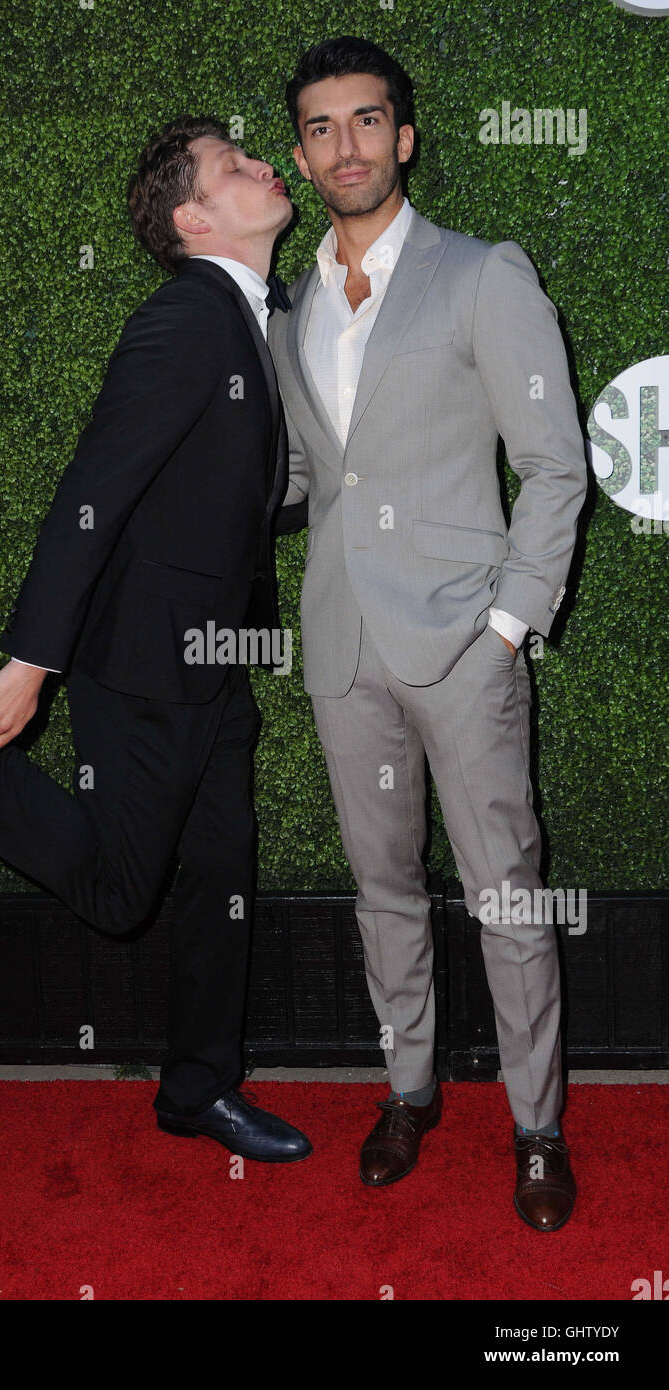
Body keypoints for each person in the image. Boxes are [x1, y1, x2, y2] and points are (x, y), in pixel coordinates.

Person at [0, 115, 311, 1165]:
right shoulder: (187, 316)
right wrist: (30, 661)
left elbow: (221, 495)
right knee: (117, 894)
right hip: (141, 668)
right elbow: (93, 493)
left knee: (216, 886)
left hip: (218, 672)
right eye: (236, 166)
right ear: (193, 217)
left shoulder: (246, 322)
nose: (264, 164)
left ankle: (199, 1092)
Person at [267, 38, 587, 1227]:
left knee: (505, 892)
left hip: (462, 647)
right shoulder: (292, 309)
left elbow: (554, 466)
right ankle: (407, 1089)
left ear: (403, 137)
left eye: (365, 120)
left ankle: (536, 1125)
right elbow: (309, 473)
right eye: (319, 127)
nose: (343, 144)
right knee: (380, 887)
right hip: (344, 648)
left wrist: (507, 627)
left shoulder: (480, 275)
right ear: (301, 154)